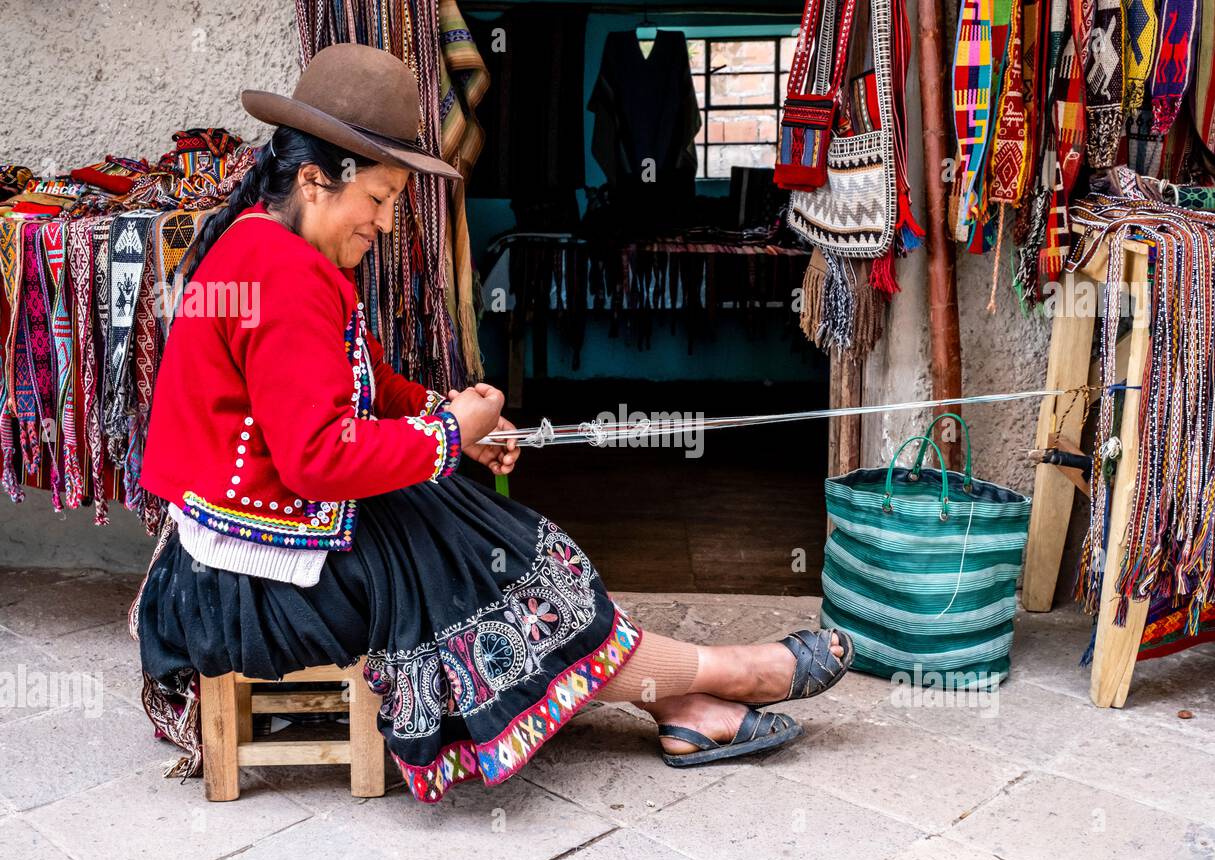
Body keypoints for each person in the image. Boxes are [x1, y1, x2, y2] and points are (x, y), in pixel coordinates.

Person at [133, 43, 854, 805]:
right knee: (488, 565)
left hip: (260, 551)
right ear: (315, 182)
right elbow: (318, 460)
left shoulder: (272, 249)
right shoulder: (280, 273)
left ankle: (686, 698)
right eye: (377, 199)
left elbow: (366, 386)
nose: (383, 223)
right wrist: (446, 437)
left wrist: (448, 421)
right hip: (249, 588)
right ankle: (712, 680)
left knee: (486, 537)